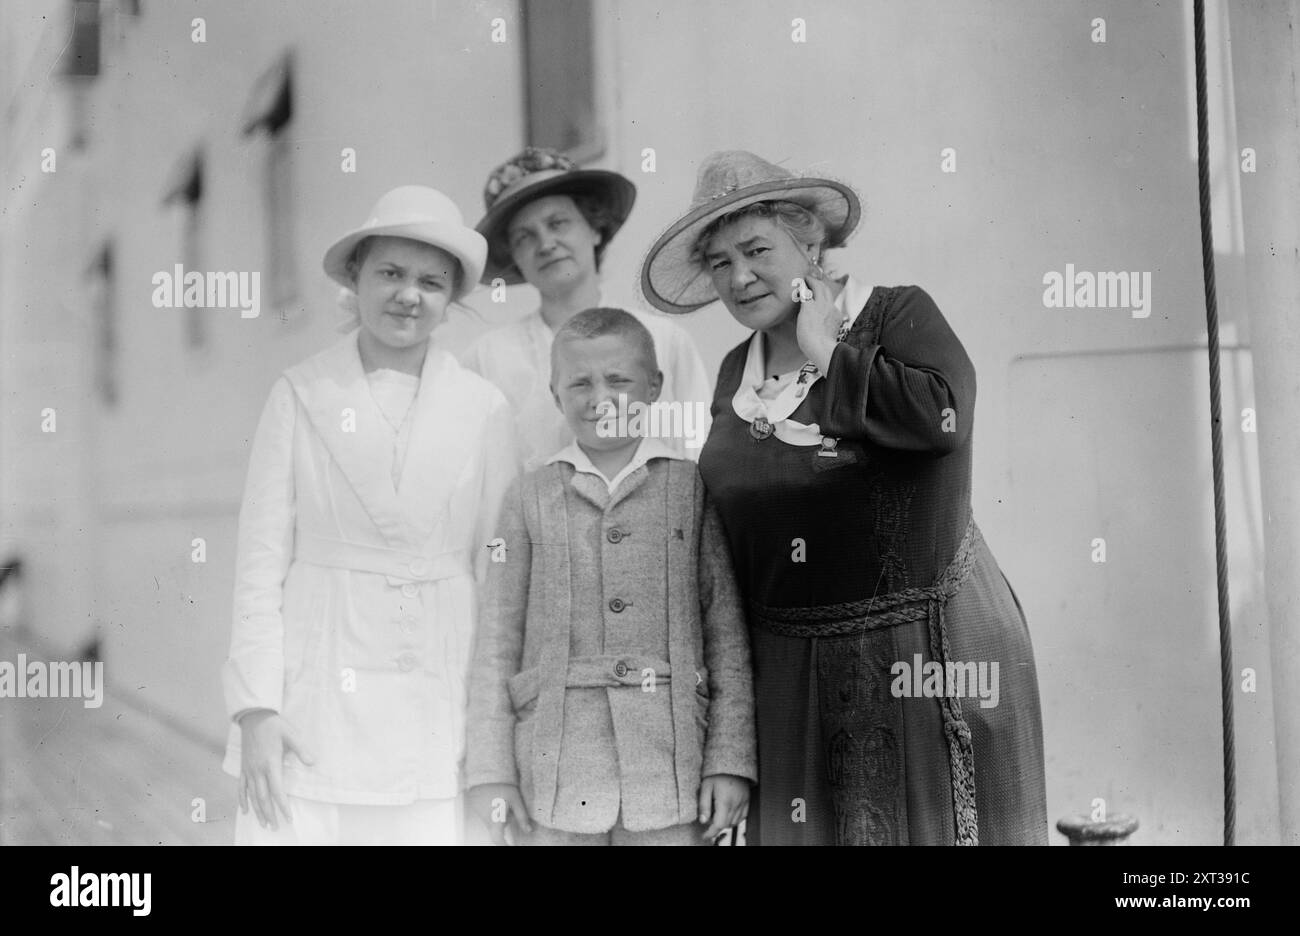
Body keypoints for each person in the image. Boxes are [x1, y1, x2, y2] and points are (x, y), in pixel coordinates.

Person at [639, 151, 1049, 846]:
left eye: (757, 249)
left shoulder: (896, 314)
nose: (739, 277)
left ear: (810, 241)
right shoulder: (739, 369)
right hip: (792, 672)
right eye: (719, 262)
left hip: (923, 655)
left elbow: (941, 421)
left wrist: (827, 349)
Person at [221, 186, 517, 845]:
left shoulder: (483, 408)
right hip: (318, 688)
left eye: (430, 282)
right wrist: (256, 709)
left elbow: (499, 579)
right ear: (355, 279)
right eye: (390, 273)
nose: (408, 295)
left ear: (451, 302)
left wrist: (494, 737)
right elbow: (259, 563)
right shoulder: (302, 392)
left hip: (438, 686)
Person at [464, 307, 755, 845]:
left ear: (654, 386)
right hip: (554, 774)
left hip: (671, 773)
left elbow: (727, 637)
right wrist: (491, 771)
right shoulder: (530, 495)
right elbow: (497, 639)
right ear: (555, 395)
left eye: (618, 379)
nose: (600, 398)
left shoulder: (691, 489)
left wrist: (730, 760)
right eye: (579, 382)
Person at [461, 147, 713, 467]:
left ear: (594, 228)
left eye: (558, 223)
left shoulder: (665, 341)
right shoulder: (487, 359)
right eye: (525, 237)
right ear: (514, 257)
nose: (546, 244)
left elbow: (698, 455)